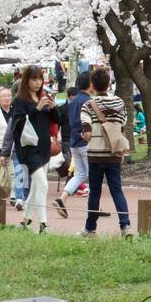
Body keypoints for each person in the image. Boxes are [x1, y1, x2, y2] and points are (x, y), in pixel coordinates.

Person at [3, 65, 57, 233]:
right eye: (34, 79)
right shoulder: (19, 101)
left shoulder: (43, 96)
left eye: (40, 79)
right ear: (26, 80)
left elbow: (57, 120)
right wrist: (37, 108)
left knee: (36, 187)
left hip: (44, 148)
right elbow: (18, 125)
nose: (37, 83)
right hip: (28, 149)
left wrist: (53, 108)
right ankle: (43, 224)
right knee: (42, 185)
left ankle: (25, 220)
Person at [79, 67, 132, 237]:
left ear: (92, 85)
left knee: (95, 191)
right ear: (109, 83)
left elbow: (86, 133)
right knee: (117, 190)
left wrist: (87, 133)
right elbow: (121, 128)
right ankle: (125, 226)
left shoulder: (88, 105)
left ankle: (90, 228)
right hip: (114, 153)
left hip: (95, 154)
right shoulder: (120, 103)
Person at [58, 73, 93, 213]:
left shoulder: (72, 102)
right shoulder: (88, 101)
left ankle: (62, 198)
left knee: (80, 174)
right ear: (90, 84)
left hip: (74, 142)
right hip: (85, 141)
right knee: (93, 174)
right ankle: (93, 206)